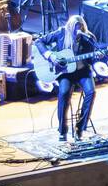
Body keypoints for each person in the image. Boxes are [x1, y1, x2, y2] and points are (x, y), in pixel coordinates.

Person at [34, 14, 99, 143]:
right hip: (65, 73)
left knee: (91, 92)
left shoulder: (88, 38)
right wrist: (50, 56)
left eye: (79, 27)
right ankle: (62, 130)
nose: (77, 30)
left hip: (83, 72)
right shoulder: (61, 33)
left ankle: (79, 128)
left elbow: (90, 60)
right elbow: (39, 41)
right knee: (63, 93)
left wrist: (97, 57)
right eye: (75, 27)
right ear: (70, 26)